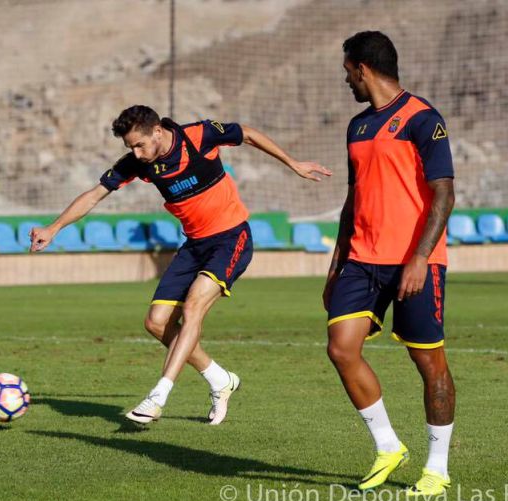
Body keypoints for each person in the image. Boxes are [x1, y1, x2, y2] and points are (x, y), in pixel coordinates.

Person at [30, 105, 330, 425]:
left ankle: (158, 396)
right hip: (194, 246)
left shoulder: (199, 135)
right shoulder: (138, 163)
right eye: (130, 147)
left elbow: (248, 134)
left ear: (157, 131)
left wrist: (292, 163)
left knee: (193, 306)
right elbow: (94, 195)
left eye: (139, 144)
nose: (136, 153)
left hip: (231, 238)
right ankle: (220, 379)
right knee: (156, 322)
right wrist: (53, 228)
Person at [323, 32, 456, 496]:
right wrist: (336, 264)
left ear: (363, 68)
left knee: (429, 362)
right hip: (362, 259)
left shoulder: (423, 118)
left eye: (348, 72)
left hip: (415, 261)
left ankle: (436, 468)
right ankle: (388, 446)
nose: (347, 81)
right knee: (341, 348)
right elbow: (352, 200)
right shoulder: (356, 127)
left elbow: (444, 194)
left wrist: (420, 257)